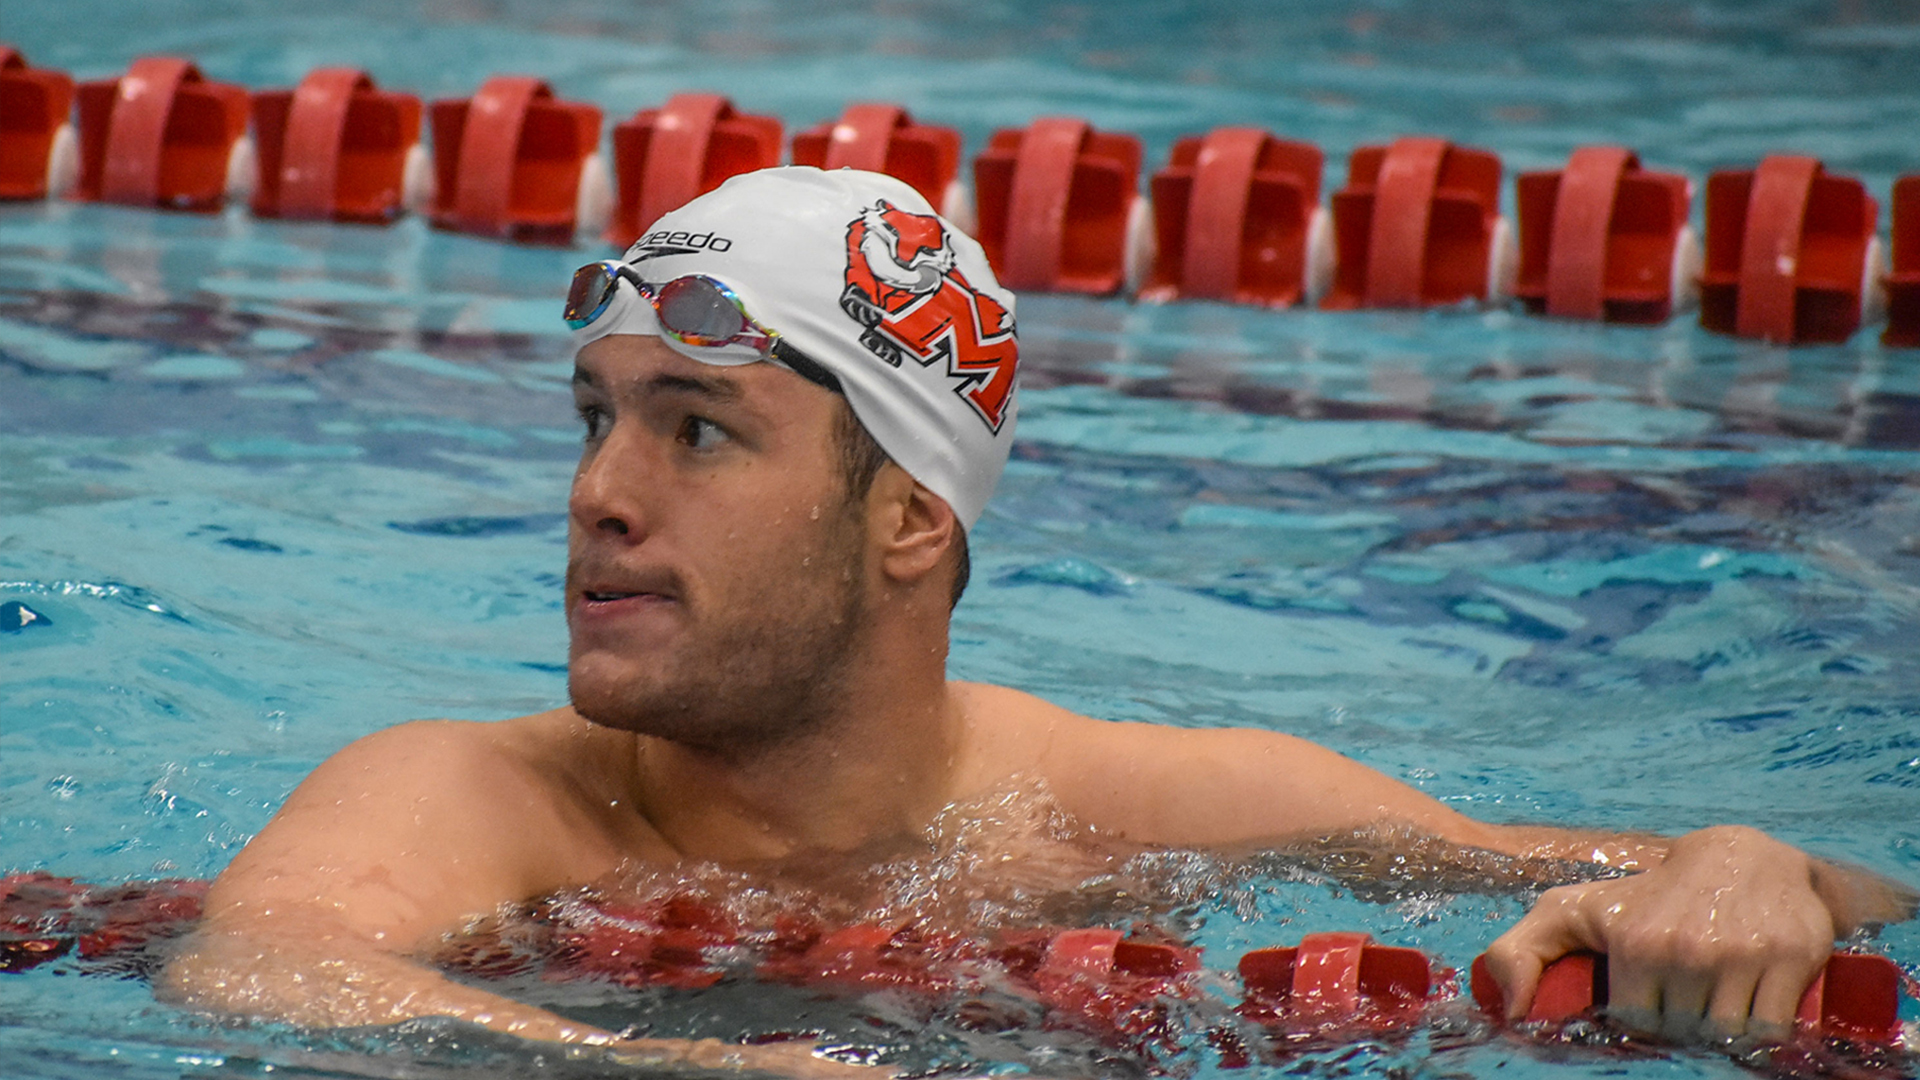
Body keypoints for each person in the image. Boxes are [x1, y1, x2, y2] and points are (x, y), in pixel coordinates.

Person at [159, 167, 1912, 1077]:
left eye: (698, 427)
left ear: (911, 515)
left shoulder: (1132, 804)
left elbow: (1725, 876)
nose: (600, 490)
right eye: (592, 414)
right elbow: (261, 969)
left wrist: (1749, 857)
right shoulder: (470, 795)